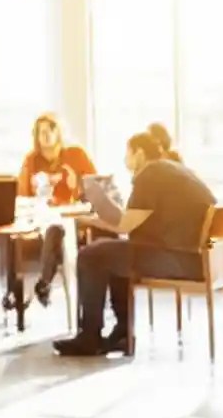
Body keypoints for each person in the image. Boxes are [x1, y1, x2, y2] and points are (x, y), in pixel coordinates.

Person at [54, 132, 214, 357]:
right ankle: (121, 334)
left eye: (127, 154)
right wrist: (92, 219)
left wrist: (93, 200)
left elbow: (124, 225)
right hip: (195, 258)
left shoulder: (150, 174)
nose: (125, 161)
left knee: (91, 255)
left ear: (139, 153)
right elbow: (132, 223)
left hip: (179, 260)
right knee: (114, 254)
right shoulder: (174, 169)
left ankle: (90, 336)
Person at [15, 113, 99, 307]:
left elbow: (96, 188)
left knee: (58, 227)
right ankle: (38, 284)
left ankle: (45, 282)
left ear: (58, 131)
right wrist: (37, 192)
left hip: (73, 216)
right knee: (54, 227)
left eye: (50, 130)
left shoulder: (76, 155)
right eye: (40, 132)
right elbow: (23, 195)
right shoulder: (31, 160)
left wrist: (76, 185)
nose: (45, 135)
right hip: (41, 216)